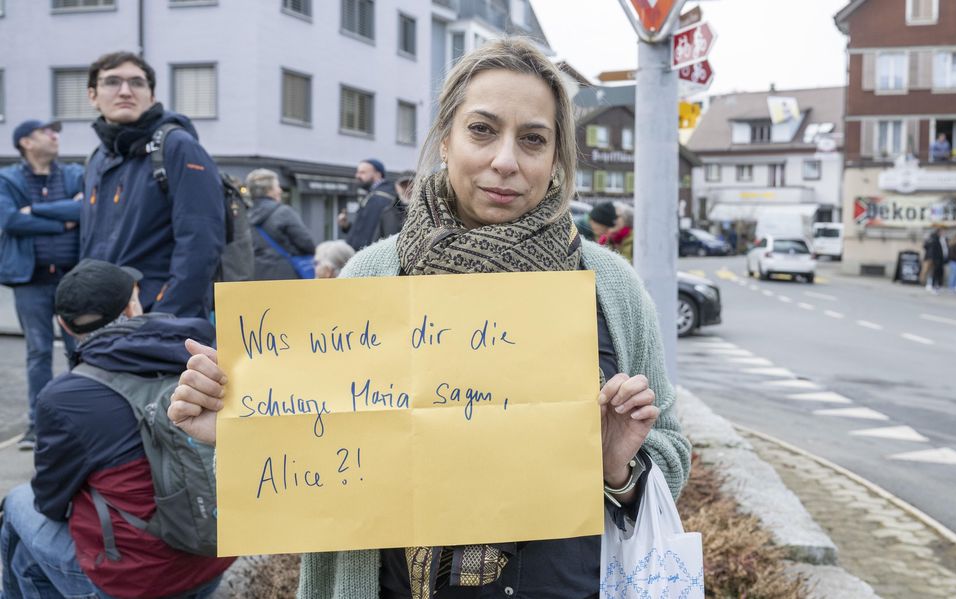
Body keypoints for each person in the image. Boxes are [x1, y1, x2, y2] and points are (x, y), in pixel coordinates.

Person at [167, 37, 691, 599]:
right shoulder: (372, 276)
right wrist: (239, 432)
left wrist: (619, 465)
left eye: (533, 139)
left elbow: (670, 452)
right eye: (483, 130)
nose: (506, 161)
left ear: (557, 158)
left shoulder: (610, 287)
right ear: (446, 139)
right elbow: (307, 465)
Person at [0, 259, 233, 599]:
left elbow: (50, 502)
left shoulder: (65, 397)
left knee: (18, 503)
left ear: (65, 326)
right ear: (132, 306)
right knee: (26, 558)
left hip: (136, 582)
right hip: (215, 559)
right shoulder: (201, 355)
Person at [80, 51, 226, 319]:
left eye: (137, 82)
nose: (125, 91)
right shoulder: (97, 157)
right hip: (105, 318)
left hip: (155, 320)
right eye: (112, 82)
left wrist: (163, 316)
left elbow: (200, 242)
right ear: (92, 96)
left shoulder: (177, 146)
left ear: (152, 96)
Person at [0, 119, 85, 450]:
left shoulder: (75, 174)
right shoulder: (7, 179)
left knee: (81, 351)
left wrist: (36, 209)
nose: (54, 136)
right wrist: (62, 224)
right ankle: (38, 425)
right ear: (26, 142)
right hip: (30, 281)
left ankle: (83, 419)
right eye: (46, 132)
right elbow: (9, 220)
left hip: (72, 279)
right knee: (38, 353)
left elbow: (84, 209)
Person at [246, 168, 316, 281]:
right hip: (286, 275)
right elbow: (307, 243)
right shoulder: (284, 212)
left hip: (257, 275)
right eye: (277, 186)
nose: (280, 190)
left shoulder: (246, 216)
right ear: (269, 190)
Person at [343, 158, 401, 250]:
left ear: (377, 174)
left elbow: (368, 234)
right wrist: (346, 226)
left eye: (362, 172)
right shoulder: (373, 194)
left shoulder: (380, 197)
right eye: (358, 172)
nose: (357, 176)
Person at [922, 227, 947, 294]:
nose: (943, 233)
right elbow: (926, 247)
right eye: (942, 232)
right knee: (930, 272)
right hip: (931, 258)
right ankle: (929, 285)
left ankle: (936, 285)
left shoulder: (942, 239)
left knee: (937, 273)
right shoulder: (933, 239)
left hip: (939, 260)